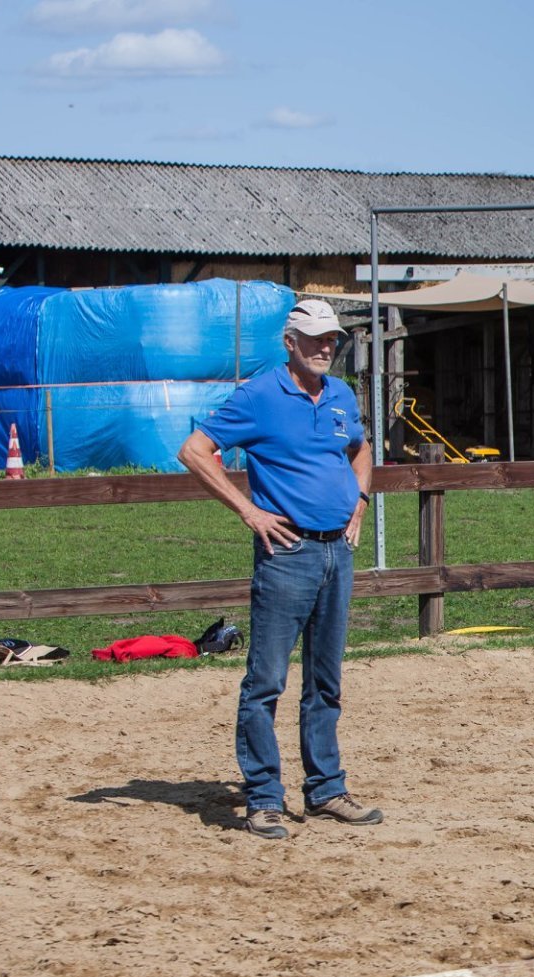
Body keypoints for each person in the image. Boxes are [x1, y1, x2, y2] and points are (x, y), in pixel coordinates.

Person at [178, 297, 383, 839]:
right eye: (315, 338)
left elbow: (361, 450)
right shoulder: (259, 395)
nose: (326, 347)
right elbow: (196, 451)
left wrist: (359, 500)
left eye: (332, 338)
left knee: (326, 680)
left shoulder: (340, 396)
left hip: (336, 553)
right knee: (266, 680)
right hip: (287, 554)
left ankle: (326, 791)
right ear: (289, 342)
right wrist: (248, 510)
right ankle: (264, 798)